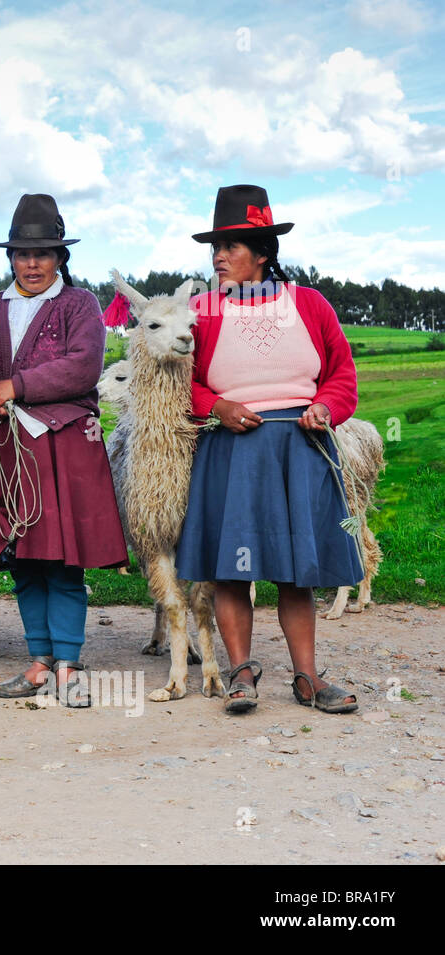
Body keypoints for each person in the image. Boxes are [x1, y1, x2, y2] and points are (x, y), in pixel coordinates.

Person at [176, 184, 362, 714]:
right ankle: (241, 674)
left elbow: (341, 375)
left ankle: (307, 678)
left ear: (263, 253)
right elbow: (175, 381)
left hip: (297, 449)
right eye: (215, 247)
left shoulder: (309, 304)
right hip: (232, 450)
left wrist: (325, 407)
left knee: (293, 570)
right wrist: (216, 407)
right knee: (232, 568)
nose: (219, 256)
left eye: (232, 246)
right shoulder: (202, 311)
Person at [0, 194, 128, 708]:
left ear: (61, 257)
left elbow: (82, 367)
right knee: (24, 558)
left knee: (63, 560)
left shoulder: (79, 305)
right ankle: (39, 662)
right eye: (22, 253)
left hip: (63, 446)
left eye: (43, 253)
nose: (32, 263)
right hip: (9, 448)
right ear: (10, 257)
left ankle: (69, 666)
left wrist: (14, 385)